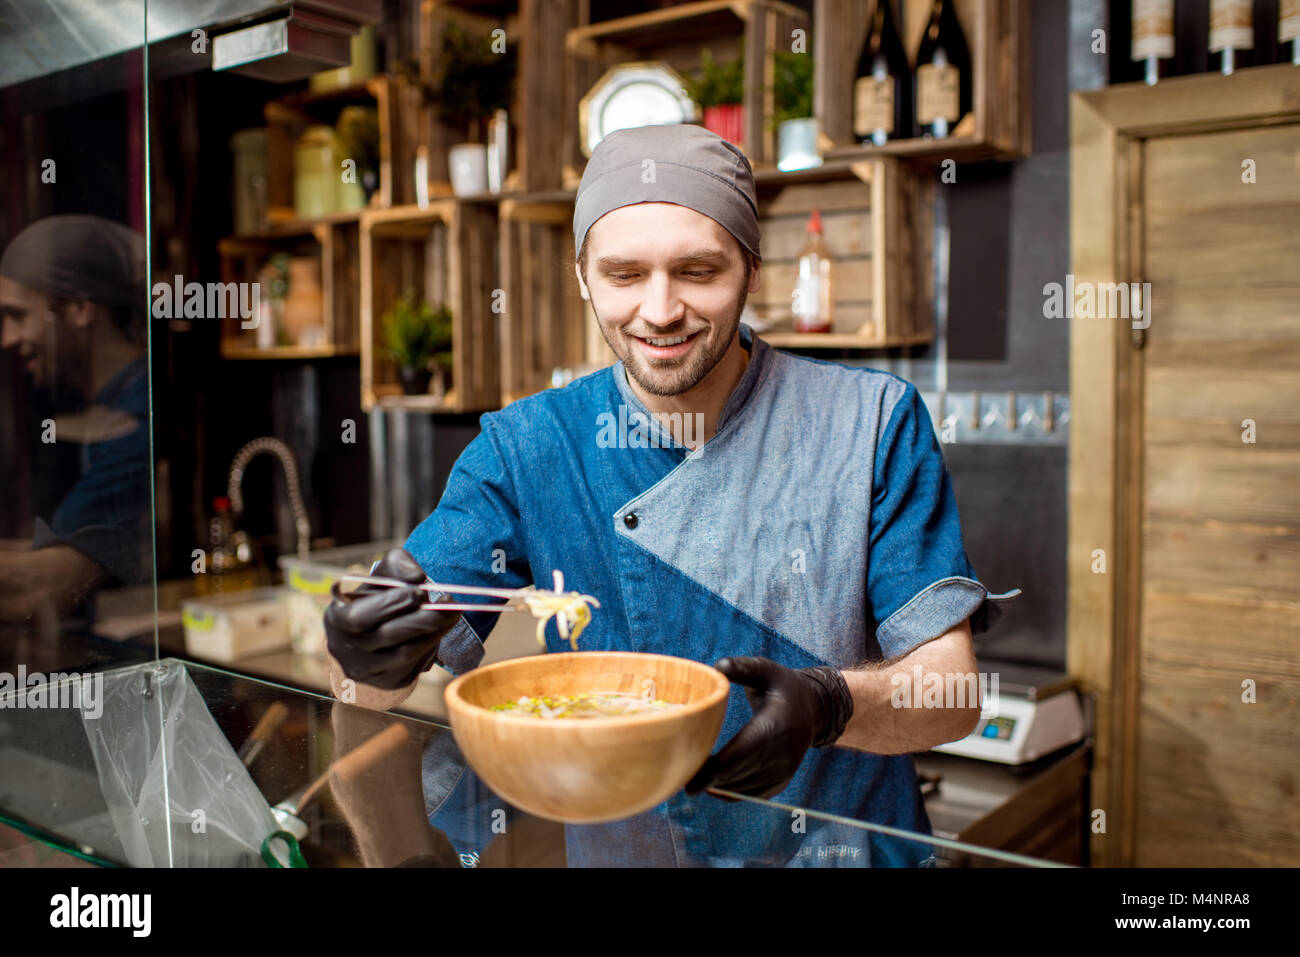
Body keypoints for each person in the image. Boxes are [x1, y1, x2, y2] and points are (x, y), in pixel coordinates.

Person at [324, 124, 1017, 867]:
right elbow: (367, 688)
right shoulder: (527, 449)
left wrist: (829, 703)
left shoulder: (871, 422)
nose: (660, 311)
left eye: (697, 270)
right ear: (583, 274)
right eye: (624, 275)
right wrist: (367, 652)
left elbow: (950, 693)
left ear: (752, 269)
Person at [0, 215, 151, 628]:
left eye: (17, 315)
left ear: (81, 308)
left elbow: (45, 584)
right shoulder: (113, 403)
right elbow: (66, 544)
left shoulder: (136, 416)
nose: (7, 338)